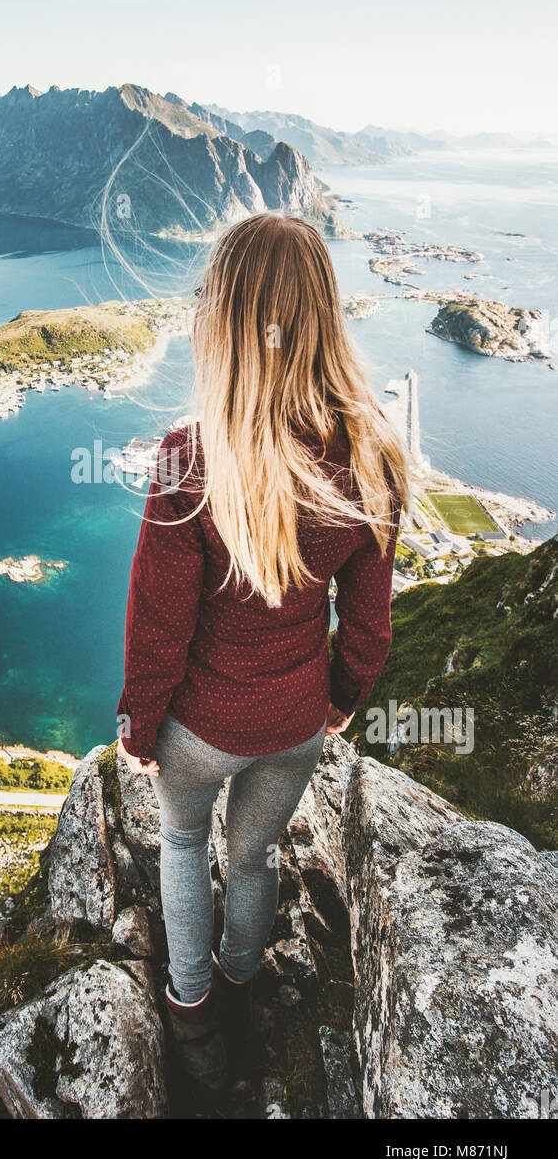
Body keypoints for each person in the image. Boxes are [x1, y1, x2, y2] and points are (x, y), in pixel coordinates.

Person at [116, 213, 409, 1091]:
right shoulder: (370, 456)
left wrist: (138, 730)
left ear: (228, 322)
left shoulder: (189, 460)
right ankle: (244, 979)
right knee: (255, 857)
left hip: (199, 729)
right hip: (293, 722)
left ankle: (191, 1007)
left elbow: (156, 628)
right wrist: (341, 698)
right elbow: (369, 624)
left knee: (180, 840)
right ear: (323, 313)